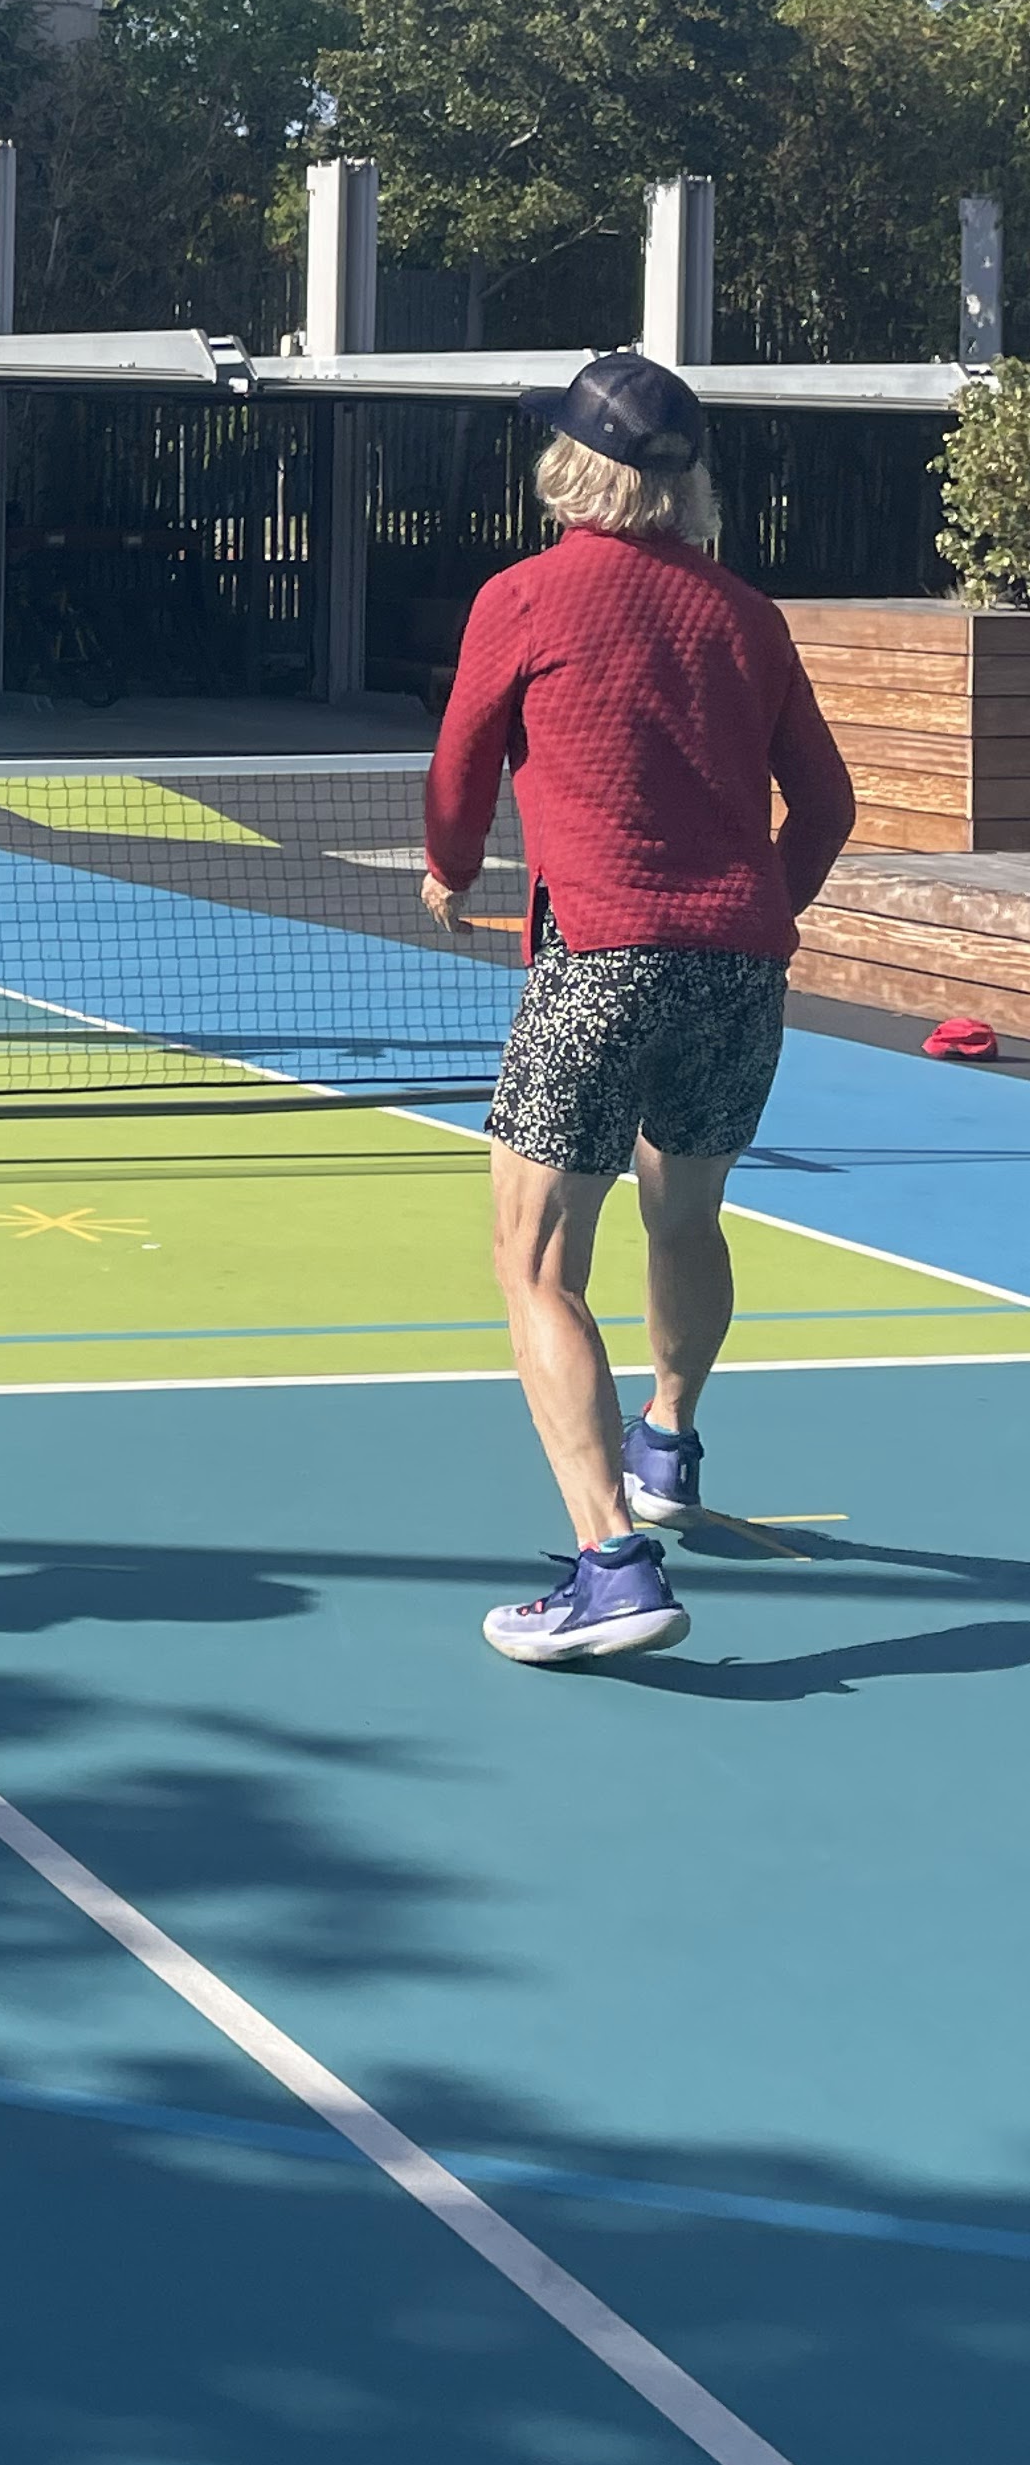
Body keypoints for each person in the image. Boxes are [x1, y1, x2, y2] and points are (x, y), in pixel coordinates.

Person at [422, 351, 854, 1667]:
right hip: (741, 974)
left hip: (601, 966)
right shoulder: (746, 614)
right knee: (688, 1214)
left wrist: (448, 871)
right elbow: (827, 809)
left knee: (535, 1264)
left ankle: (613, 1561)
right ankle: (668, 1434)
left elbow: (458, 774)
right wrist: (749, 915)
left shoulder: (526, 596)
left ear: (568, 466)